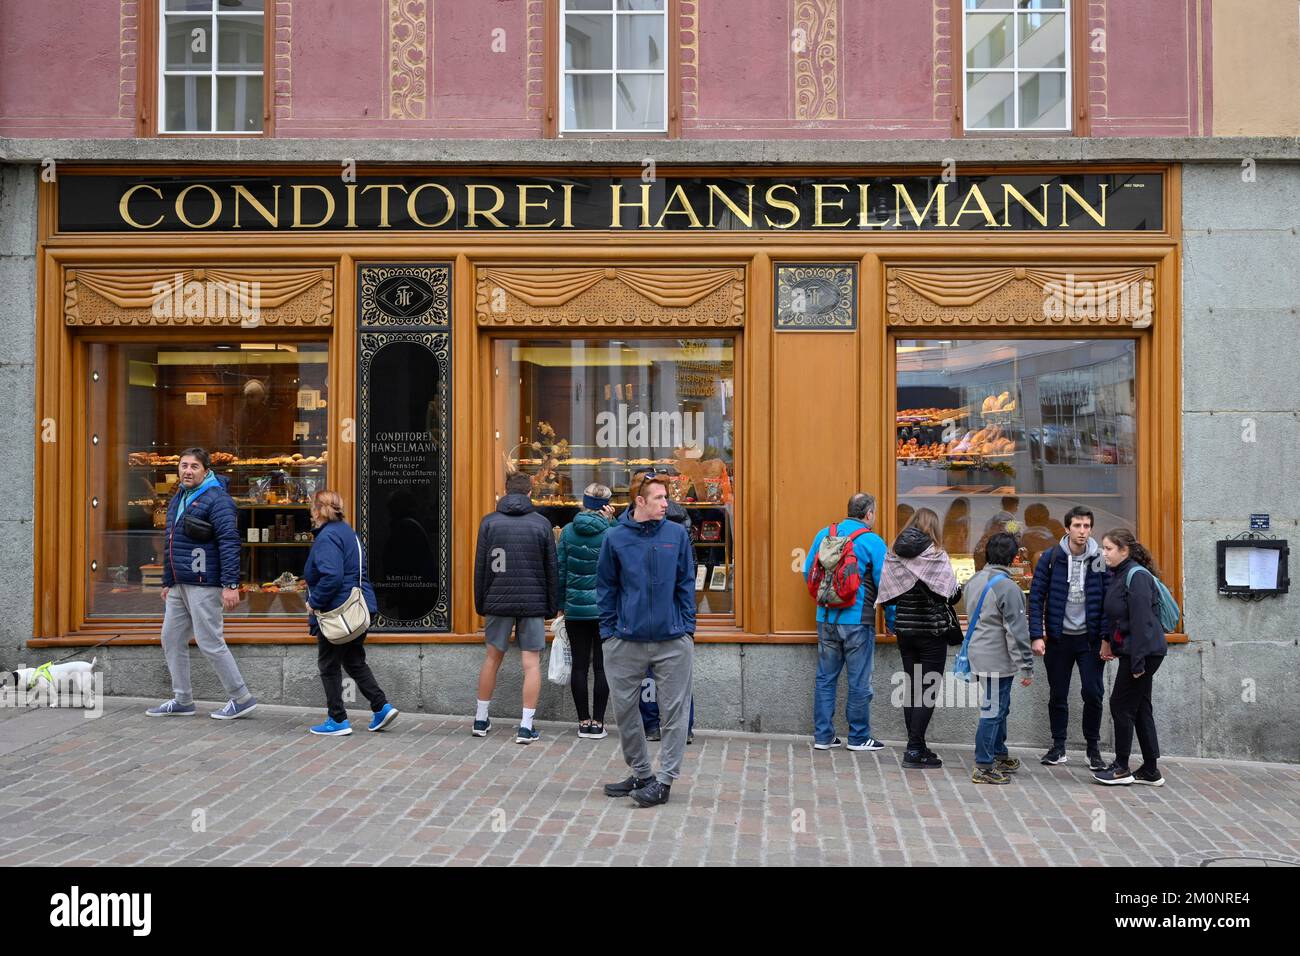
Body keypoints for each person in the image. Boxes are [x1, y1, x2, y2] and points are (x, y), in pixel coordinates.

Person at [598, 473, 695, 808]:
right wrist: (609, 633)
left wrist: (687, 628)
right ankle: (642, 773)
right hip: (625, 639)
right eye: (658, 498)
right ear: (639, 502)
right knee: (624, 709)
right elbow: (606, 587)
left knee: (674, 712)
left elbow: (686, 581)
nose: (666, 503)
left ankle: (665, 781)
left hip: (672, 639)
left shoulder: (676, 533)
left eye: (666, 497)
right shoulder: (615, 538)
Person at [147, 447, 258, 720]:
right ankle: (183, 700)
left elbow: (230, 542)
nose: (187, 470)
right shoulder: (179, 497)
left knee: (210, 641)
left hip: (205, 584)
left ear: (206, 471)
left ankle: (241, 698)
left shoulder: (218, 500)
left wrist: (231, 584)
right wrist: (167, 580)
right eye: (183, 465)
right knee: (171, 638)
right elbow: (171, 541)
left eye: (194, 466)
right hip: (179, 584)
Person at [472, 472, 559, 744]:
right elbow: (551, 569)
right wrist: (551, 606)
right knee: (531, 664)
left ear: (506, 492)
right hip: (532, 602)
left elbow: (481, 569)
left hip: (497, 599)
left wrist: (481, 604)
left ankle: (480, 718)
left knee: (492, 658)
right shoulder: (541, 524)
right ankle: (525, 725)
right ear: (530, 493)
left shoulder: (489, 523)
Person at [803, 492, 892, 751]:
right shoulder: (872, 541)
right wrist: (892, 619)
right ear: (869, 514)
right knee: (858, 680)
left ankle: (823, 736)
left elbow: (808, 571)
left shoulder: (824, 534)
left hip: (826, 617)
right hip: (858, 621)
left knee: (825, 678)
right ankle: (858, 736)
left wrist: (826, 601)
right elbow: (885, 585)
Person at [302, 490, 396, 737]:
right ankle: (381, 707)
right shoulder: (347, 532)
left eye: (312, 508)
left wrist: (314, 601)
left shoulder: (327, 537)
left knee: (328, 664)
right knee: (354, 660)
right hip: (358, 607)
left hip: (337, 611)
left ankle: (337, 719)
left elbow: (332, 575)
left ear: (317, 510)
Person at [876, 507, 961, 769]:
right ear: (933, 528)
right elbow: (952, 595)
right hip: (930, 633)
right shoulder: (935, 555)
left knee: (913, 688)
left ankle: (918, 746)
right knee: (928, 690)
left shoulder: (894, 554)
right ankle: (914, 749)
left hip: (905, 631)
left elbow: (889, 594)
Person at [1028, 505, 1110, 770]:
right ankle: (1058, 746)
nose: (1082, 531)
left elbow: (1109, 600)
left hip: (1090, 639)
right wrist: (1037, 635)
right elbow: (1036, 597)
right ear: (1066, 529)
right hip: (1059, 638)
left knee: (1093, 693)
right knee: (1058, 694)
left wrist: (1106, 637)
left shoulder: (1099, 557)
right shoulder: (1052, 557)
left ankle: (1092, 749)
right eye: (1077, 526)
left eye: (1087, 526)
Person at [1094, 528, 1169, 787]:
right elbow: (1117, 615)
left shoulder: (1136, 577)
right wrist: (1107, 640)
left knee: (1121, 705)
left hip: (1143, 652)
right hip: (1136, 650)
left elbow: (1141, 623)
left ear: (1124, 550)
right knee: (1139, 708)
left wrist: (1137, 663)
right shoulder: (1119, 574)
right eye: (1103, 548)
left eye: (1108, 549)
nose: (1104, 554)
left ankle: (1121, 768)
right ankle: (1150, 770)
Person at [965, 533, 1035, 785]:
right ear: (1014, 557)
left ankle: (998, 753)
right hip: (997, 658)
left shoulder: (975, 579)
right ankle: (984, 764)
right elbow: (1016, 632)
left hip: (979, 653)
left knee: (998, 707)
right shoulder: (1008, 586)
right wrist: (1026, 667)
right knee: (994, 710)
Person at [557, 482, 616, 739]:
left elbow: (560, 571)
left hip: (575, 610)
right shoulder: (612, 533)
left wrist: (561, 605)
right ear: (607, 506)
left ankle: (582, 721)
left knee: (579, 665)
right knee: (602, 667)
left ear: (583, 503)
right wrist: (612, 522)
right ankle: (599, 723)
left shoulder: (568, 532)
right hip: (604, 610)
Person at [641, 499, 696, 744]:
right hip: (675, 616)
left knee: (648, 675)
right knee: (680, 679)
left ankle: (652, 725)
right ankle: (685, 728)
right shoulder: (683, 524)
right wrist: (689, 623)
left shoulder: (645, 529)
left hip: (648, 614)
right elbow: (690, 576)